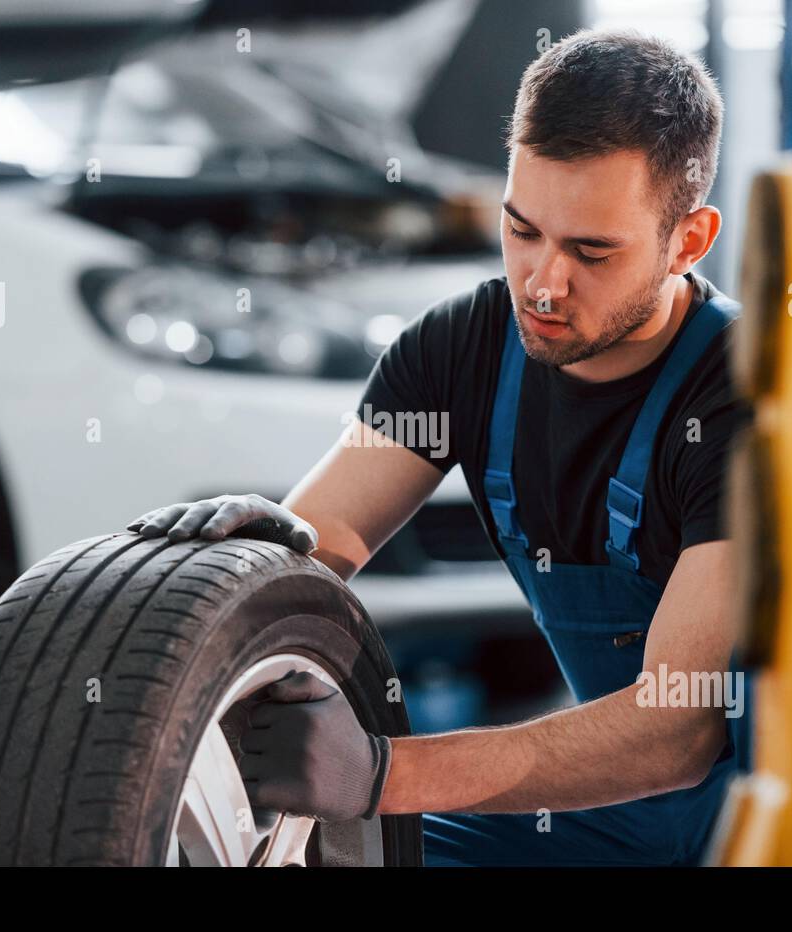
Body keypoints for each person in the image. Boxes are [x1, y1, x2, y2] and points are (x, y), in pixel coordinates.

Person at [127, 28, 752, 866]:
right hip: (603, 813)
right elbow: (318, 554)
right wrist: (251, 562)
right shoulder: (460, 351)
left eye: (591, 251)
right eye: (523, 230)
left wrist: (383, 772)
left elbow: (674, 730)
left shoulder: (742, 395)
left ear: (689, 239)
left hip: (776, 815)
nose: (542, 283)